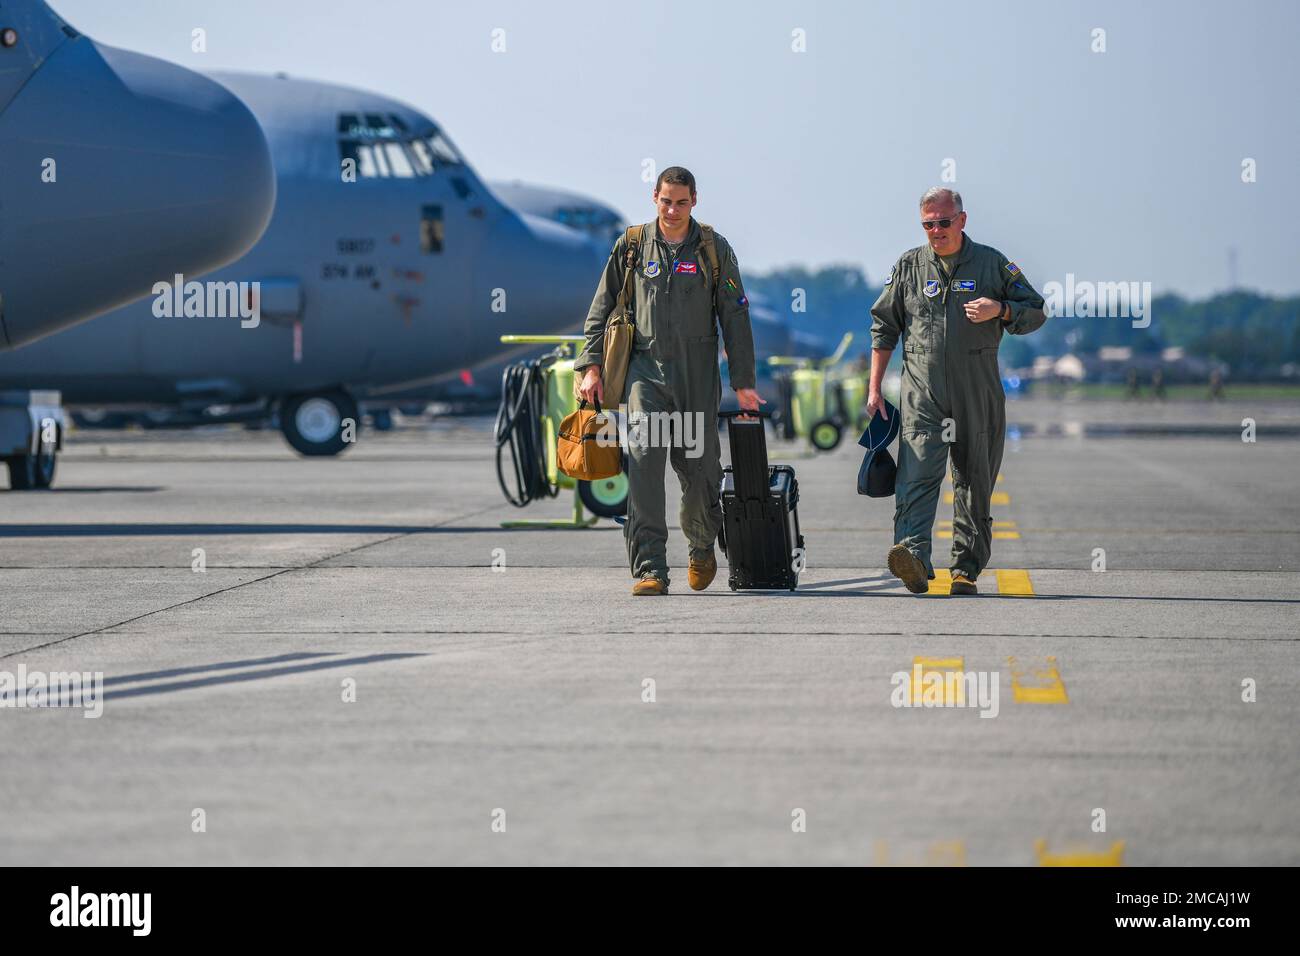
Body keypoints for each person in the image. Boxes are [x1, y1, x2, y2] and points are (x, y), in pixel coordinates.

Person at [575, 167, 761, 595]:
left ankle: (700, 546)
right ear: (654, 198)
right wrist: (590, 366)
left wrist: (744, 381)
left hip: (696, 378)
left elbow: (735, 314)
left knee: (699, 471)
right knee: (642, 465)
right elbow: (600, 310)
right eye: (665, 201)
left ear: (694, 200)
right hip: (646, 375)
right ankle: (650, 568)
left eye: (681, 202)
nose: (673, 210)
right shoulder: (633, 246)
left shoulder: (713, 249)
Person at [867, 187, 1047, 595]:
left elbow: (1036, 310)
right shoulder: (910, 267)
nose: (936, 231)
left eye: (943, 222)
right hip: (922, 393)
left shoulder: (992, 264)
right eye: (928, 224)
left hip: (976, 392)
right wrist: (874, 387)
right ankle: (912, 555)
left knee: (974, 481)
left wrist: (1000, 310)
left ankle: (965, 569)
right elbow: (884, 327)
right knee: (915, 476)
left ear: (962, 221)